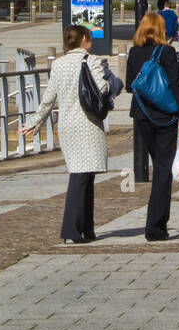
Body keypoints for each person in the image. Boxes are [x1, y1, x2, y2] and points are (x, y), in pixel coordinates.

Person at [20, 24, 117, 244]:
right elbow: (102, 88)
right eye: (90, 38)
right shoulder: (92, 61)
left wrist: (33, 123)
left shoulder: (59, 64)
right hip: (87, 124)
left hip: (67, 126)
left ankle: (87, 228)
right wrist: (111, 82)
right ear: (84, 39)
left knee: (84, 174)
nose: (91, 42)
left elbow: (48, 99)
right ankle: (71, 230)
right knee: (81, 177)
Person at [126, 12, 179, 242]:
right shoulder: (167, 51)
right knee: (163, 170)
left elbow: (128, 86)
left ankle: (155, 224)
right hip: (164, 116)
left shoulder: (134, 52)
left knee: (157, 164)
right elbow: (174, 85)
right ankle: (156, 226)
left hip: (142, 115)